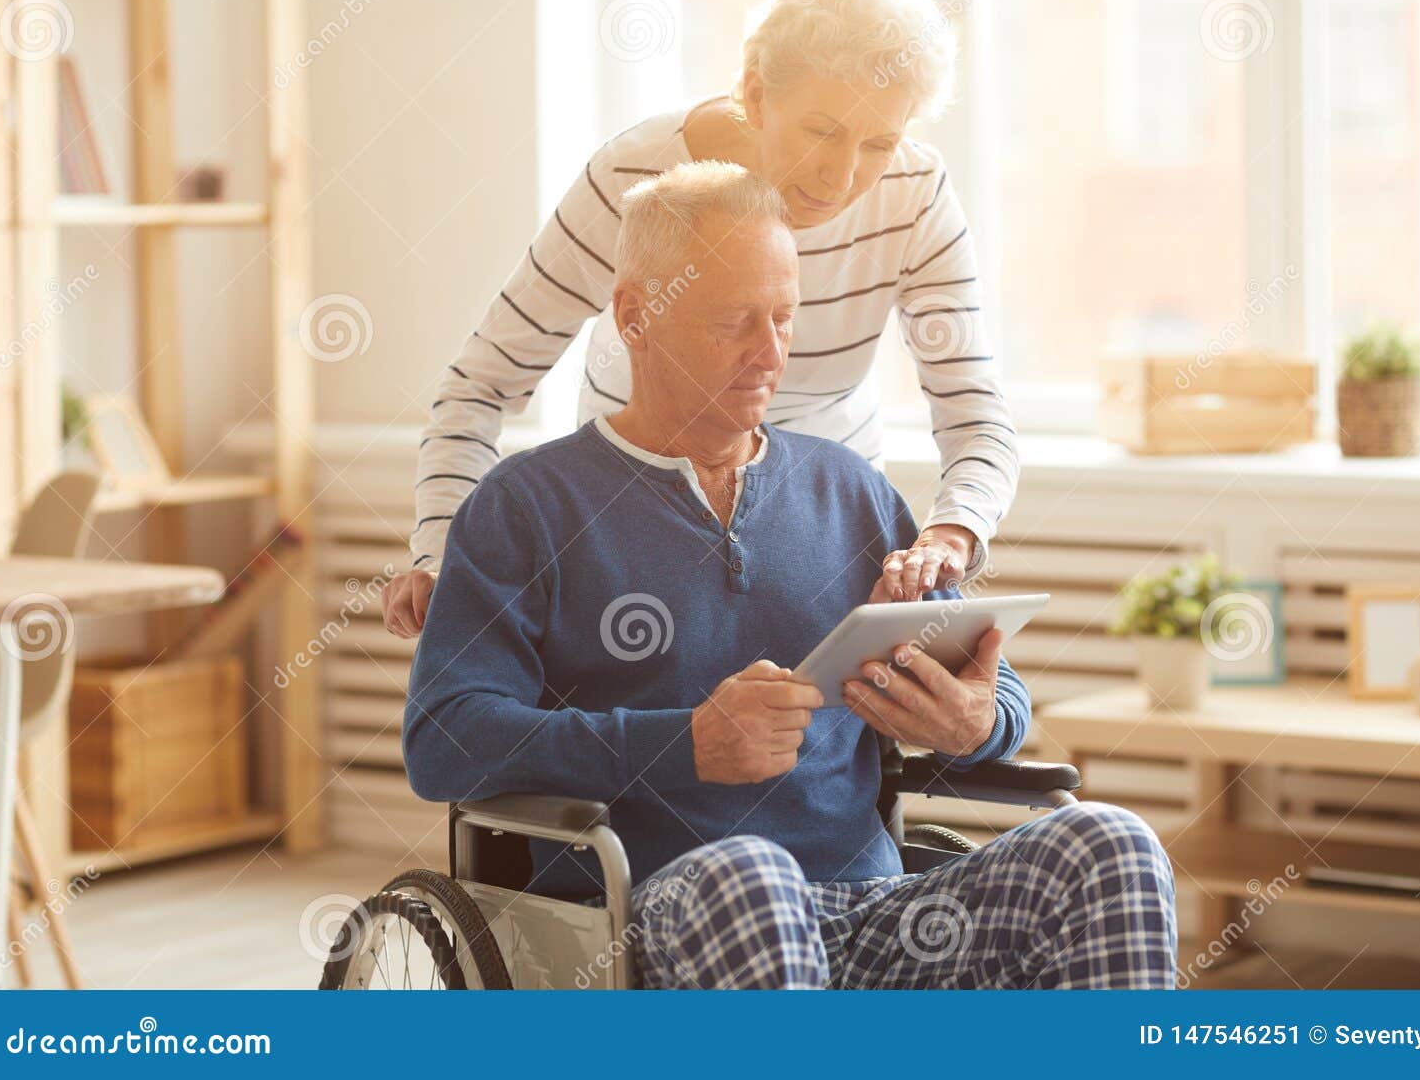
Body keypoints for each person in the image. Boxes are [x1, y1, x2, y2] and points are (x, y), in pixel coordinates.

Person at [403, 162, 1176, 990]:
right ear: (636, 316)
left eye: (784, 317)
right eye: (734, 320)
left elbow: (1001, 696)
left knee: (1112, 844)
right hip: (656, 912)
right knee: (752, 876)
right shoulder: (527, 505)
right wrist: (682, 742)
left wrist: (975, 722)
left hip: (876, 909)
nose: (771, 353)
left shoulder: (849, 491)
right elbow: (443, 739)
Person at [383, 0, 1021, 636]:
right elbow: (481, 386)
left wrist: (951, 536)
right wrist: (444, 558)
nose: (842, 176)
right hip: (639, 501)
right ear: (754, 91)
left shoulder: (914, 192)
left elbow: (974, 411)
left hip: (821, 515)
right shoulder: (633, 177)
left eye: (879, 143)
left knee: (831, 722)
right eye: (821, 131)